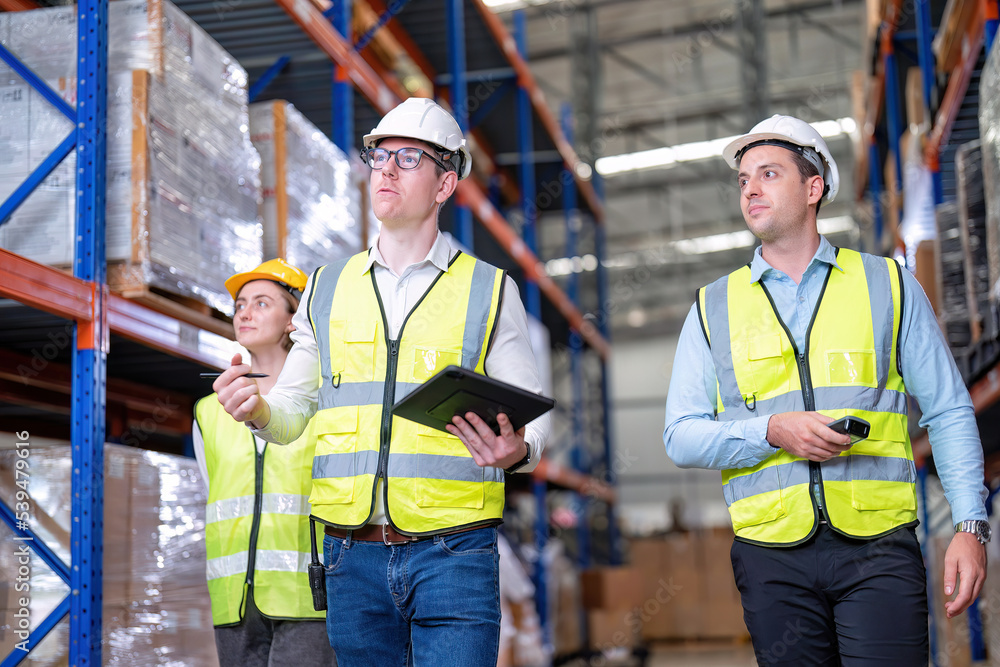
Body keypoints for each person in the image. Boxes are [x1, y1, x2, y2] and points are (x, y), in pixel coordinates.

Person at [211, 97, 550, 667]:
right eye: (379, 155)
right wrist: (259, 411)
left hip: (454, 552)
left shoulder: (489, 290)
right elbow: (294, 405)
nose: (386, 169)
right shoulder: (327, 286)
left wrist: (518, 450)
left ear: (445, 184)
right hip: (349, 556)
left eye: (409, 158)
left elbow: (535, 423)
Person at [663, 114, 990, 665]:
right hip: (771, 558)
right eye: (744, 180)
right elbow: (680, 436)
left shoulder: (888, 285)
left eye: (769, 174)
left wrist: (970, 526)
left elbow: (950, 411)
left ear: (813, 188)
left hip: (879, 549)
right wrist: (771, 431)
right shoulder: (711, 307)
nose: (751, 190)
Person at [193, 258, 337, 667]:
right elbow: (212, 488)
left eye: (261, 303)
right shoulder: (208, 411)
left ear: (294, 320)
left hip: (307, 597)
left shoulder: (324, 402)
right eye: (240, 304)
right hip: (234, 600)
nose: (245, 312)